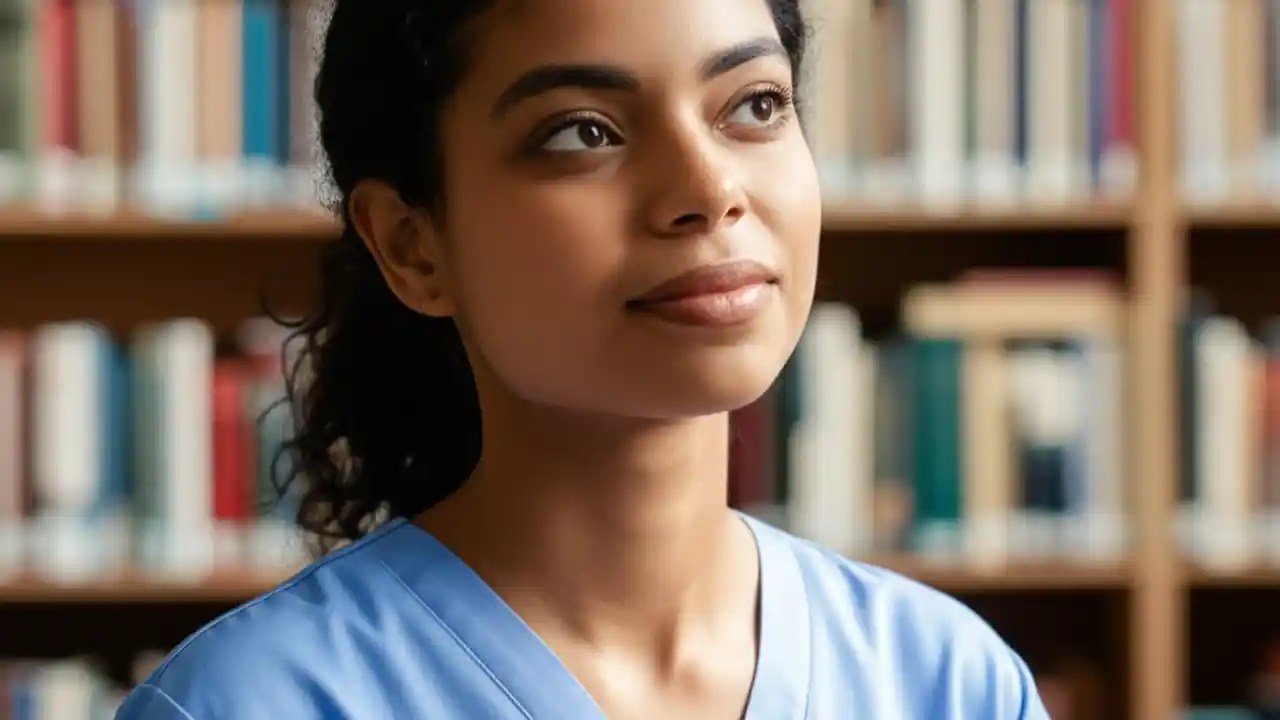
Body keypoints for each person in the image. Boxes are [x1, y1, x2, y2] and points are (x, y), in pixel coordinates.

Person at [116, 0, 1050, 717]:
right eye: (582, 132)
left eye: (754, 105)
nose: (708, 189)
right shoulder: (251, 703)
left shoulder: (945, 681)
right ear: (412, 245)